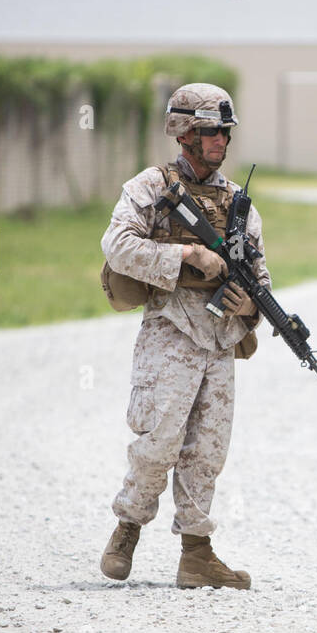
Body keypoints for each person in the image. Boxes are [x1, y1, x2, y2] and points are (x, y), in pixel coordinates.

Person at [98, 82, 268, 589]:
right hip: (170, 332)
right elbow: (117, 246)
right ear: (184, 132)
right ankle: (127, 529)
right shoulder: (150, 187)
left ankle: (197, 555)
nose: (221, 141)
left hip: (220, 340)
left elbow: (261, 274)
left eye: (225, 132)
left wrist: (251, 305)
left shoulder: (239, 204)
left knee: (207, 450)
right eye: (211, 131)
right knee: (159, 440)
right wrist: (188, 256)